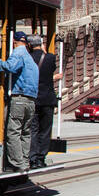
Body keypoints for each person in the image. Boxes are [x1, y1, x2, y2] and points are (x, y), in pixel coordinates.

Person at [0, 31, 38, 172]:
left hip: (19, 99)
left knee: (13, 132)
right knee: (25, 132)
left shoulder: (19, 52)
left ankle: (17, 163)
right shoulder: (30, 58)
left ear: (14, 42)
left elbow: (11, 67)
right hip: (31, 101)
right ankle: (25, 162)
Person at [28, 34, 62, 169]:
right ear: (41, 44)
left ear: (29, 45)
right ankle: (41, 158)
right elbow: (50, 71)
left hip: (34, 98)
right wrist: (44, 50)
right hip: (48, 99)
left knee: (33, 130)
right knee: (45, 130)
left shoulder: (29, 58)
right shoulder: (50, 58)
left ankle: (33, 158)